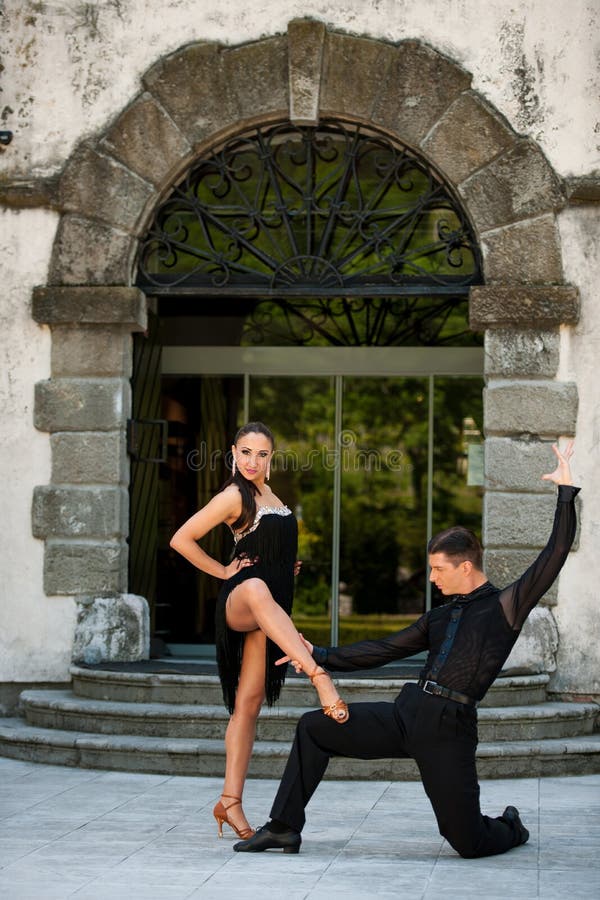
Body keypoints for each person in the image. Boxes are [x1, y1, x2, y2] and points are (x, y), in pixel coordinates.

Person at [233, 441, 579, 858]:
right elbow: (384, 649)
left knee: (468, 843)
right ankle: (284, 827)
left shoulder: (505, 607)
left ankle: (510, 826)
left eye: (438, 569)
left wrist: (565, 492)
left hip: (449, 730)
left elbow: (554, 554)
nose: (431, 577)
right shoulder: (439, 617)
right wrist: (319, 655)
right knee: (313, 727)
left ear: (465, 566)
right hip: (406, 714)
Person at [170, 421, 349, 842]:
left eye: (262, 454)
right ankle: (319, 677)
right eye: (246, 452)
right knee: (252, 584)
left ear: (271, 458)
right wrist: (223, 570)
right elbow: (182, 538)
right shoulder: (234, 495)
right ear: (233, 453)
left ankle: (229, 801)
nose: (253, 461)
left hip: (268, 611)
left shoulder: (273, 497)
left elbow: (271, 546)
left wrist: (285, 566)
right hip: (241, 601)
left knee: (246, 705)